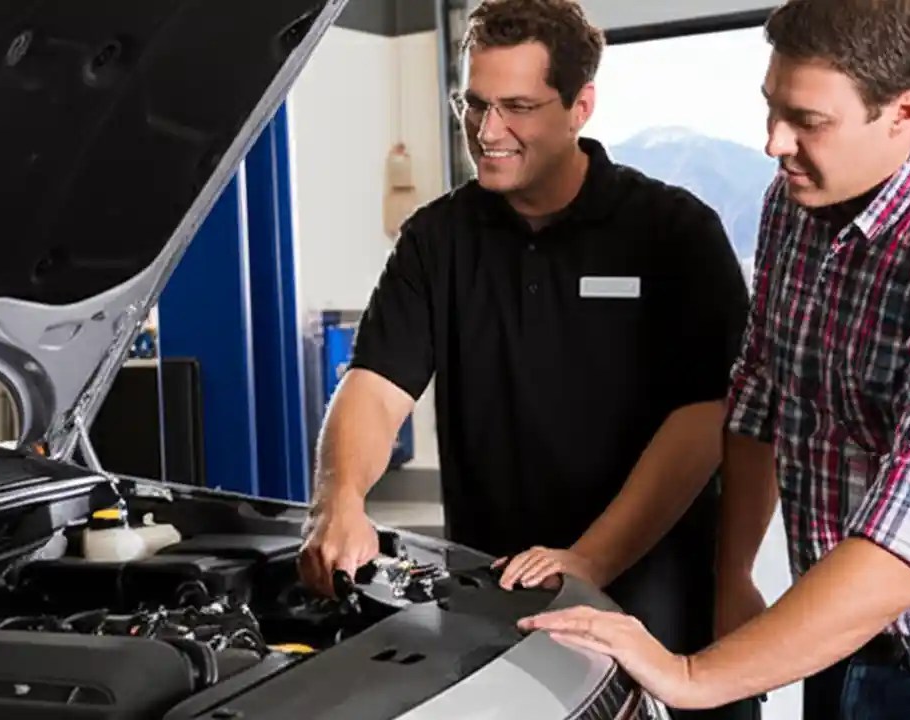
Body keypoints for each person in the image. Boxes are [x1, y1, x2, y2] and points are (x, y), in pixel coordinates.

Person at [519, 0, 910, 717]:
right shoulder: (793, 206)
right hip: (834, 641)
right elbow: (761, 396)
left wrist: (692, 675)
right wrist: (736, 572)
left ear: (905, 111)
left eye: (808, 121)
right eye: (772, 108)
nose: (775, 142)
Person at [297, 0, 753, 717]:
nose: (486, 131)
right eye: (473, 104)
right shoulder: (436, 240)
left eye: (517, 107)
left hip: (656, 589)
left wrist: (592, 559)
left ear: (581, 106)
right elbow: (376, 387)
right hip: (495, 586)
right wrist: (343, 499)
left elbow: (703, 419)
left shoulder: (673, 231)